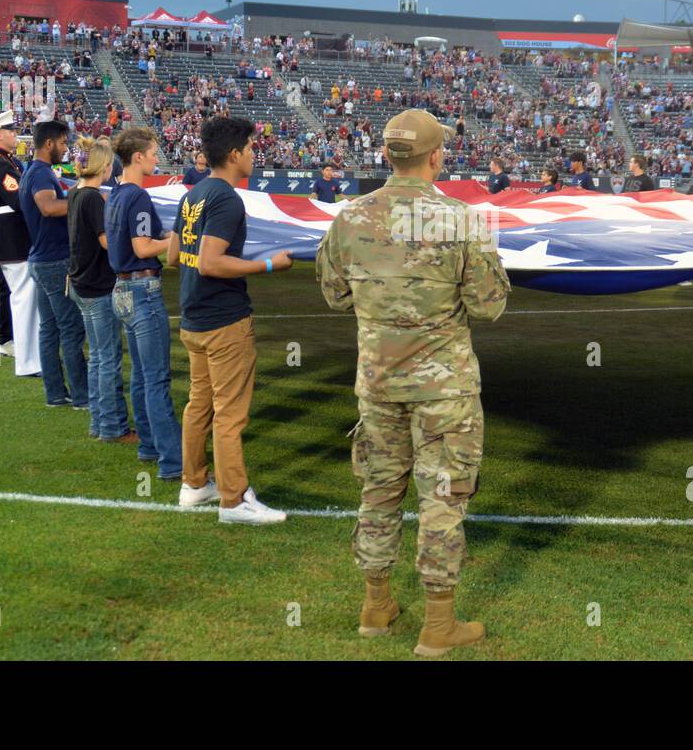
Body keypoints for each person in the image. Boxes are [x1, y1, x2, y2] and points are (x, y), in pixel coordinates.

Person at [316, 108, 511, 657]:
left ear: (386, 155)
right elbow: (488, 305)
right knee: (442, 500)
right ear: (435, 157)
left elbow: (334, 294)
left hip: (377, 384)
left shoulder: (350, 218)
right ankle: (438, 624)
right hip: (444, 391)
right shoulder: (460, 220)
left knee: (379, 492)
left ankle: (376, 607)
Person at [168, 117, 294, 522]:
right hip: (224, 321)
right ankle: (234, 500)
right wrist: (269, 267)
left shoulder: (193, 195)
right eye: (252, 149)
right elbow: (210, 262)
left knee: (199, 405)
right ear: (235, 154)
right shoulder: (225, 198)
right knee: (229, 415)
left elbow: (173, 256)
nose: (255, 155)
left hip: (193, 319)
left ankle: (193, 484)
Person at [106, 126, 182, 480]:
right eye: (153, 153)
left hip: (120, 290)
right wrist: (178, 240)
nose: (156, 158)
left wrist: (161, 237)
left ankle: (149, 445)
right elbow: (142, 248)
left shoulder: (116, 193)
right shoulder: (137, 196)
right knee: (155, 379)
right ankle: (173, 462)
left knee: (139, 376)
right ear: (138, 157)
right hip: (142, 290)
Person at [66, 140, 134, 443]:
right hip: (97, 286)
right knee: (107, 359)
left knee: (97, 358)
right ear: (103, 167)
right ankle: (112, 427)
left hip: (82, 283)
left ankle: (99, 422)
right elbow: (106, 241)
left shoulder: (76, 193)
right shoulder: (93, 198)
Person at [21, 120, 89, 408]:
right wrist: (85, 199)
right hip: (54, 261)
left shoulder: (36, 172)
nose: (65, 148)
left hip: (41, 258)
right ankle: (82, 396)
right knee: (71, 330)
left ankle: (56, 393)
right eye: (62, 143)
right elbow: (48, 208)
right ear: (49, 143)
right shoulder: (39, 174)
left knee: (49, 330)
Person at [0, 110, 41, 376]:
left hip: (10, 236)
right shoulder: (0, 164)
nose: (16, 135)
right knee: (25, 300)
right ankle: (29, 362)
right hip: (13, 237)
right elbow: (20, 200)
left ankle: (31, 359)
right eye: (11, 131)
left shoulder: (0, 161)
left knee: (25, 298)